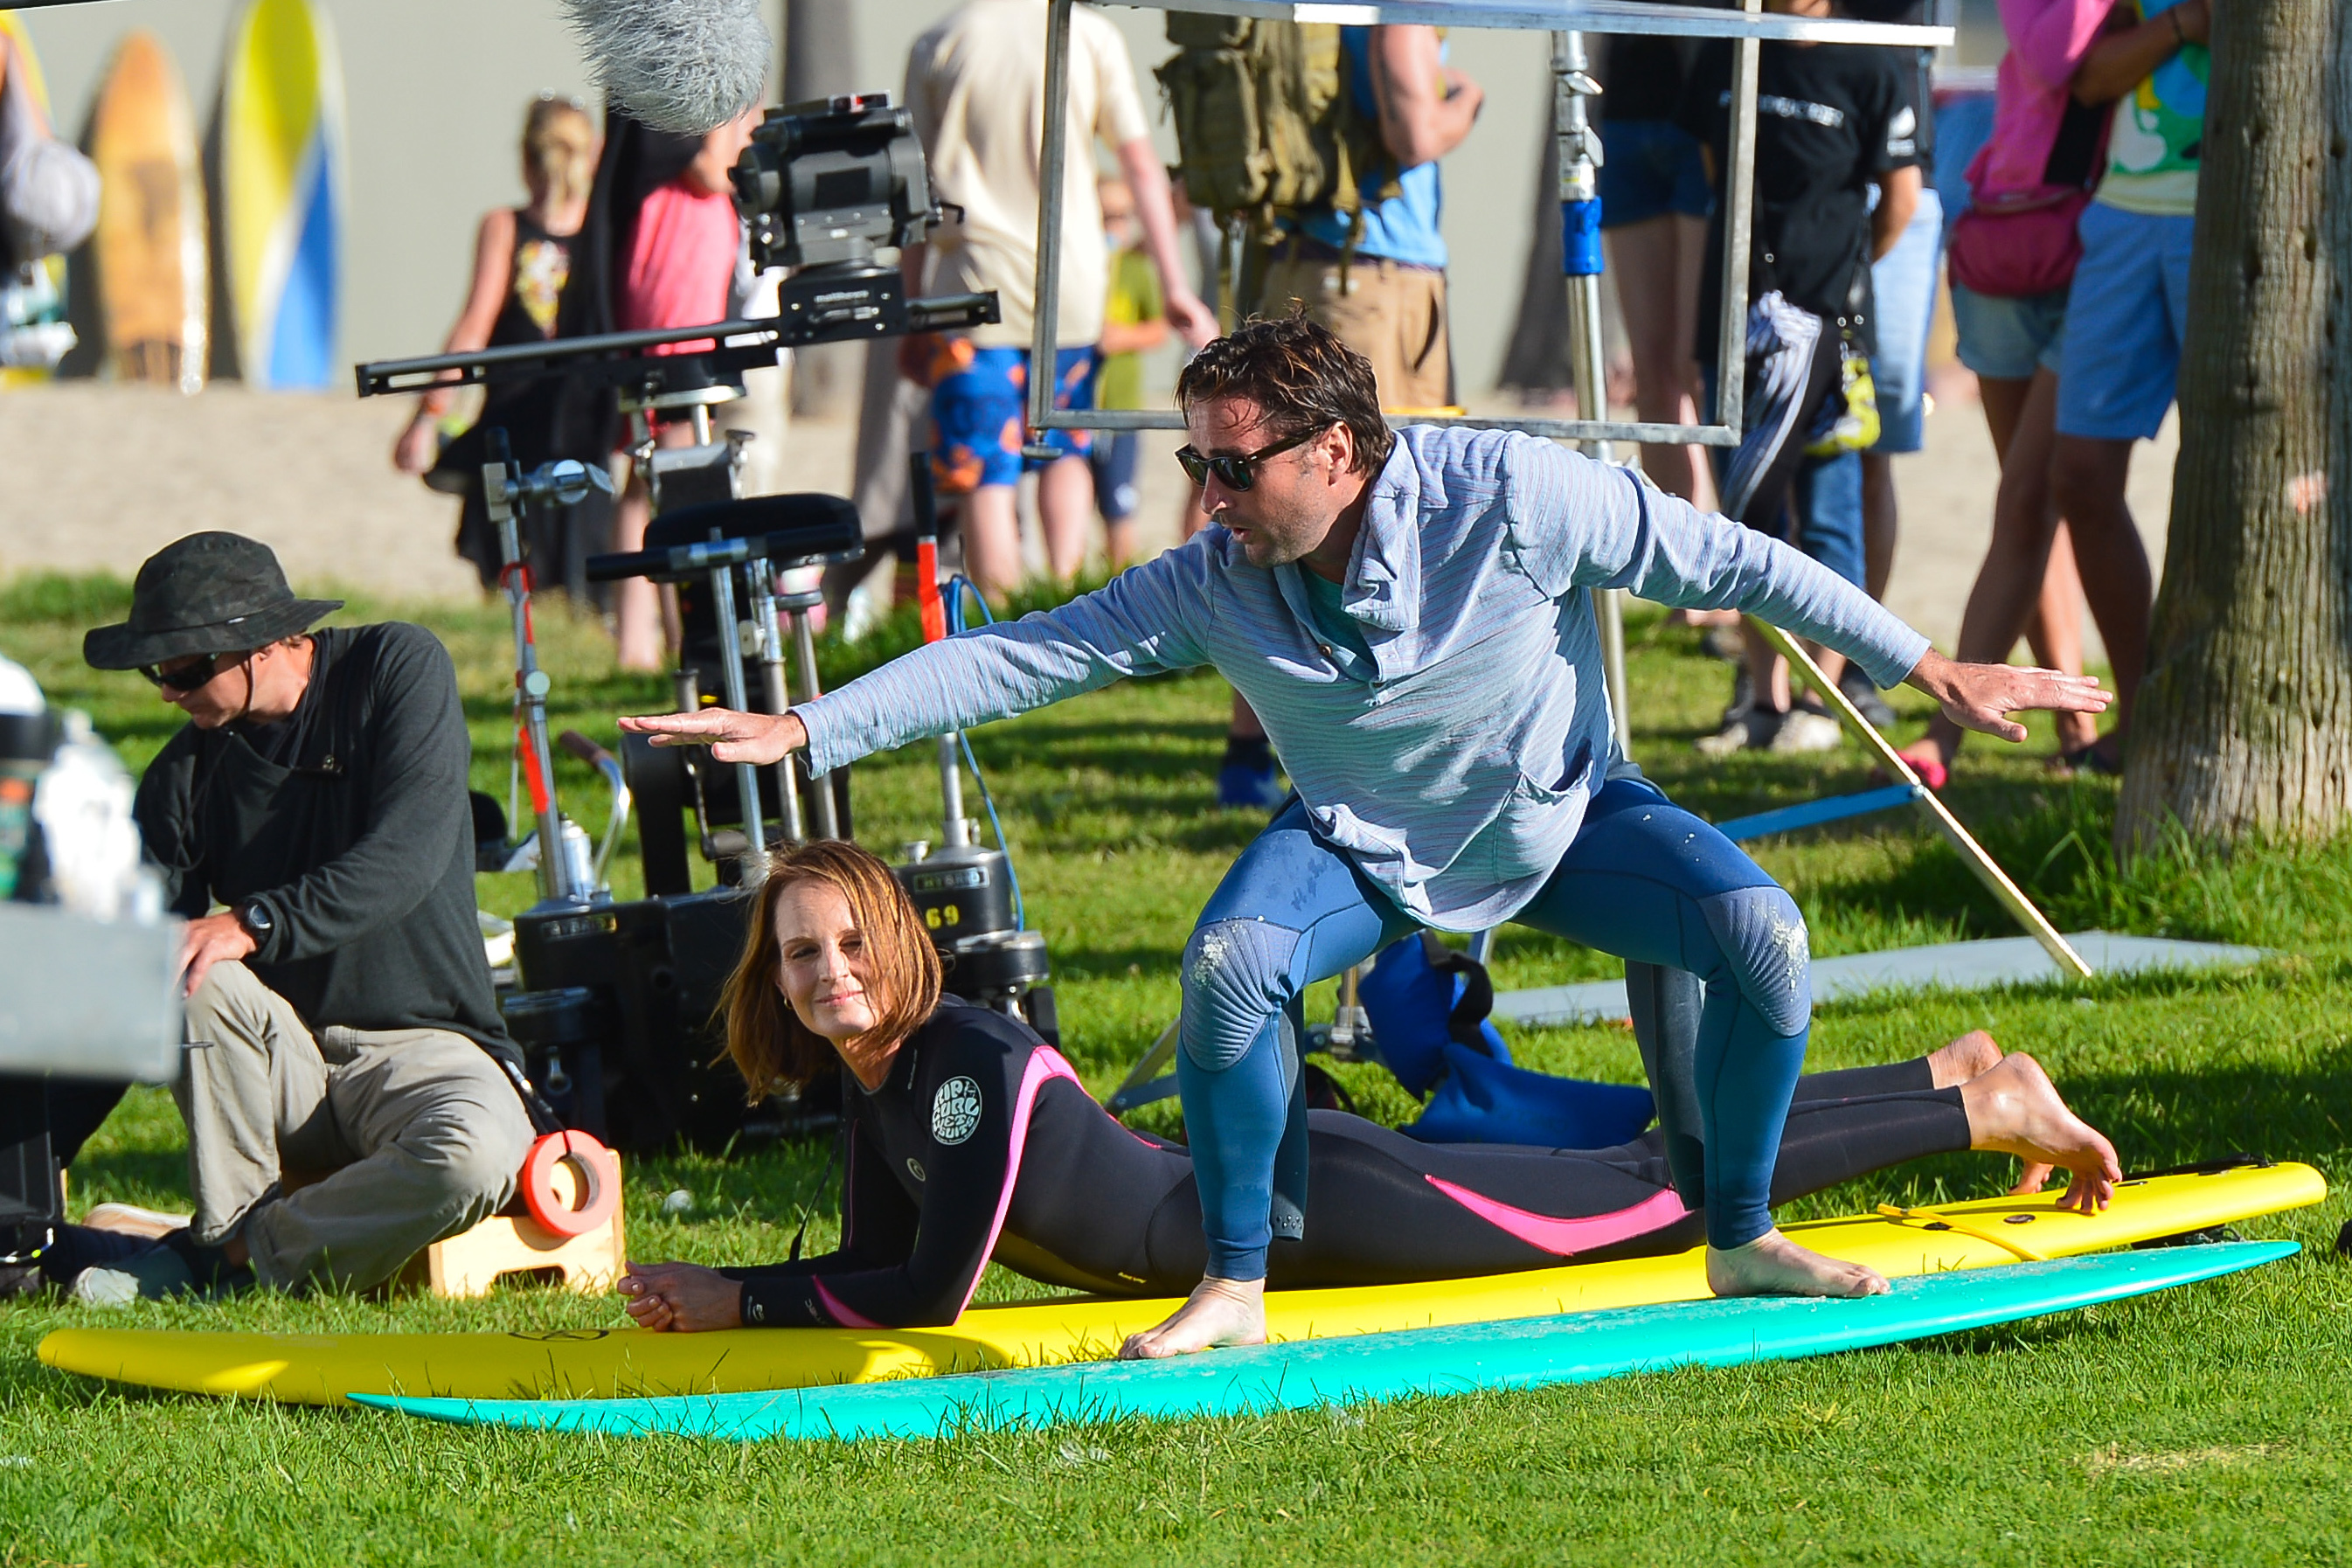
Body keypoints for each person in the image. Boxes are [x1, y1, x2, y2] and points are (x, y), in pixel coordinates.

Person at [621, 314, 2111, 1357]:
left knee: (1764, 937)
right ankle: (1234, 1281)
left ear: (1334, 450)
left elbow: (1728, 556)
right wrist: (811, 725)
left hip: (1558, 814)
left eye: (1231, 463)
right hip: (1356, 844)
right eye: (1197, 460)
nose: (1204, 494)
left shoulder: (1514, 493)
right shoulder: (1219, 575)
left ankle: (1738, 1231)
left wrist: (1929, 664)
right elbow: (1027, 654)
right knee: (1226, 966)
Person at [618, 842, 2119, 1332]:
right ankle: (1944, 1073)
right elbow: (874, 1260)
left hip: (1319, 1198)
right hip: (1278, 1207)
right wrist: (744, 1290)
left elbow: (931, 1293)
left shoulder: (969, 1063)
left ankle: (1977, 1106)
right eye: (798, 951)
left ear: (896, 940)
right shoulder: (878, 1085)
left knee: (1655, 1203)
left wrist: (739, 1294)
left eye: (845, 940)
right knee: (1653, 1169)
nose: (826, 971)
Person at [36, 534, 535, 1301]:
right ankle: (215, 1250)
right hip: (281, 1062)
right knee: (176, 968)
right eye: (155, 672)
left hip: (426, 1048)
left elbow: (406, 856)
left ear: (264, 644)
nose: (168, 692)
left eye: (185, 669)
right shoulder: (185, 773)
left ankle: (220, 1263)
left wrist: (250, 923)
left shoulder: (394, 668)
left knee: (474, 1154)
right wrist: (28, 1165)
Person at [1218, 23, 1482, 808]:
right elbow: (1413, 136)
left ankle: (1251, 756)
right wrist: (1467, 98)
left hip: (1305, 263)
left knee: (1277, 513)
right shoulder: (1394, 11)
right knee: (1366, 519)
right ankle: (1355, 754)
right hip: (1369, 280)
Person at [899, 0, 1215, 602]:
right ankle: (1067, 612)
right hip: (1071, 288)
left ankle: (1001, 628)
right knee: (1064, 446)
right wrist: (1174, 283)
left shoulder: (938, 40)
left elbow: (907, 192)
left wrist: (911, 308)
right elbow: (1141, 166)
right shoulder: (1090, 34)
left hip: (969, 290)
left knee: (984, 470)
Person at [1675, 0, 1922, 754]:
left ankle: (1823, 699)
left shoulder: (1872, 60)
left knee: (1827, 517)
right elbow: (1719, 169)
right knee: (1746, 516)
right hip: (1733, 322)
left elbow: (1898, 201)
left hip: (1828, 337)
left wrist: (1826, 285)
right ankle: (1763, 700)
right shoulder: (1731, 50)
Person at [1898, 0, 2124, 787]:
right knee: (2027, 502)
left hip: (2087, 252)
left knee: (2031, 498)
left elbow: (2065, 57)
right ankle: (2071, 728)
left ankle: (1947, 735)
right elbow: (2059, 52)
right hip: (2001, 239)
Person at [2042, 0, 2210, 772]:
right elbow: (2090, 77)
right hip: (2122, 213)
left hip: (2238, 217)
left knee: (2236, 481)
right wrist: (2179, 26)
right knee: (2078, 477)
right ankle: (2144, 716)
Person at [393, 97, 612, 605]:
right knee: (581, 566)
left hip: (513, 417)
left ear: (526, 159)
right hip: (582, 419)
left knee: (510, 562)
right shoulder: (604, 230)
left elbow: (473, 327)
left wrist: (429, 415)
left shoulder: (505, 227)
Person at [570, 107, 761, 670]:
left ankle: (651, 634)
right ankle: (659, 637)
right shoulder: (693, 94)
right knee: (667, 460)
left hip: (677, 248)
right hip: (679, 262)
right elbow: (710, 164)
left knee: (655, 465)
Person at [1593, 32, 1715, 510]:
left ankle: (1742, 543)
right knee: (1651, 365)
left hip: (1707, 114)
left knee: (1697, 365)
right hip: (1627, 109)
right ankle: (1670, 557)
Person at [1091, 176, 1167, 572]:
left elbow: (1160, 326)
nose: (1113, 226)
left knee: (1119, 508)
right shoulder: (1077, 264)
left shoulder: (1136, 267)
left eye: (1122, 216)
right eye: (1105, 216)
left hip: (1121, 408)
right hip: (1077, 405)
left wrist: (1122, 337)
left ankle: (1119, 582)